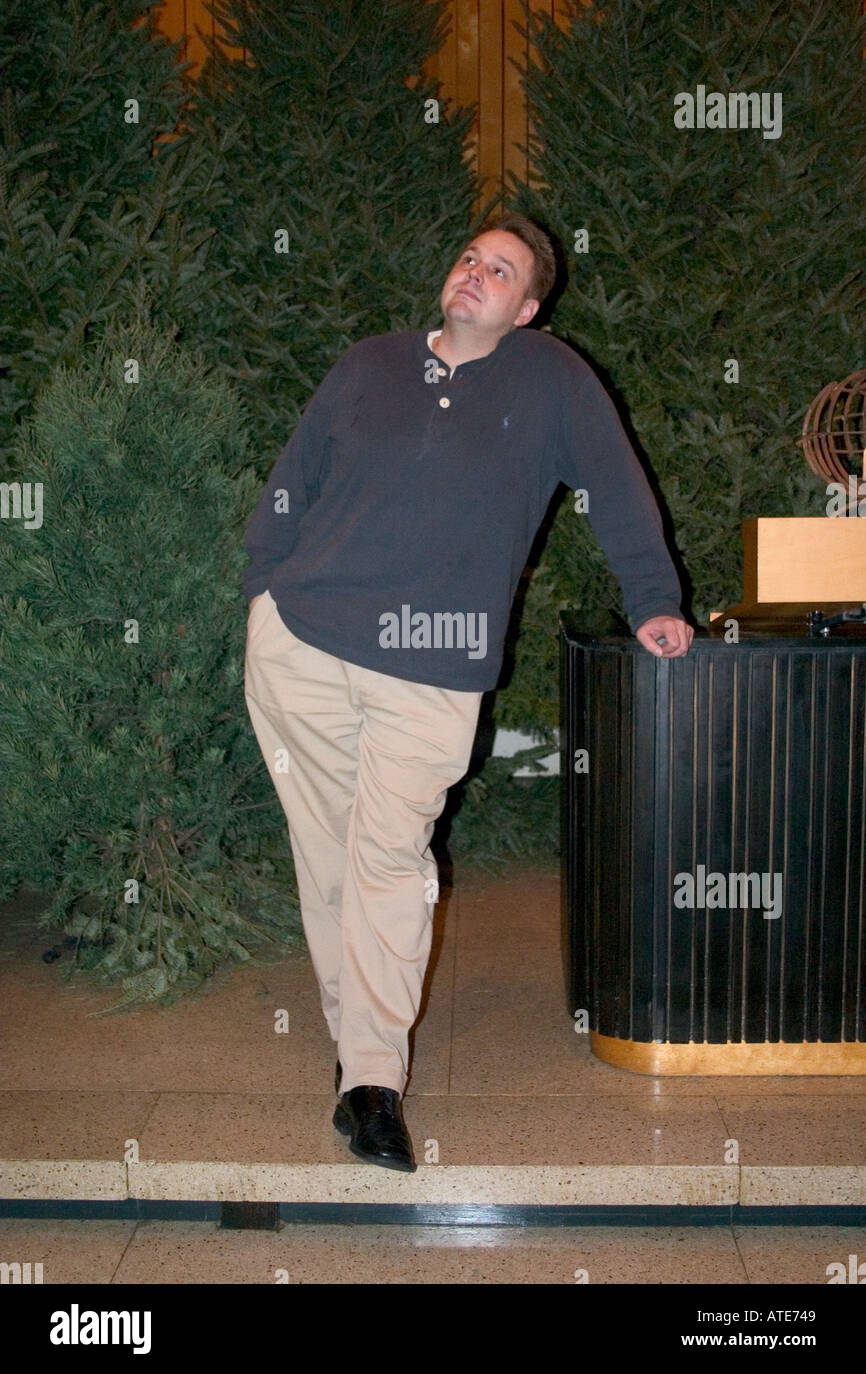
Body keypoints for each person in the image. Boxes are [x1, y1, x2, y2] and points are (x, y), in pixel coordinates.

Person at [242, 211, 694, 1173]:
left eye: (501, 269)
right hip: (304, 648)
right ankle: (365, 1068)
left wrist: (653, 600)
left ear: (528, 309)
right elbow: (292, 482)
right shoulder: (368, 364)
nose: (475, 273)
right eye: (468, 258)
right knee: (328, 859)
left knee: (391, 861)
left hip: (433, 672)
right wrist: (261, 592)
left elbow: (616, 489)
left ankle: (369, 1071)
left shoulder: (553, 380)